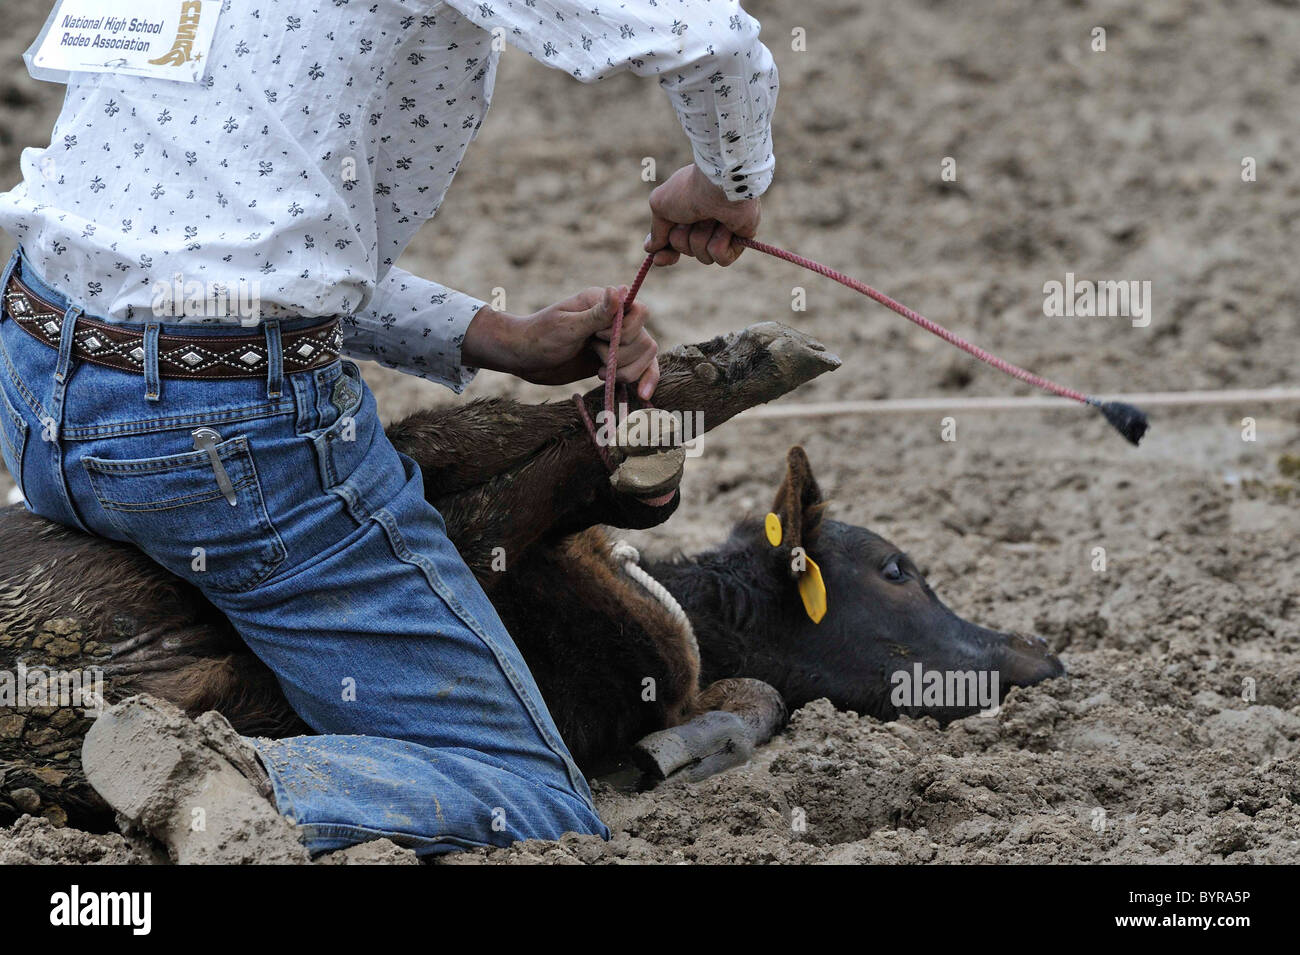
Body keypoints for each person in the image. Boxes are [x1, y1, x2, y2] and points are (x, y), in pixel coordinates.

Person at [0, 0, 776, 856]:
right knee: (532, 792)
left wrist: (491, 336)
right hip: (218, 437)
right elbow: (710, 41)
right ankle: (236, 781)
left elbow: (217, 246)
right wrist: (725, 181)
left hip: (35, 383)